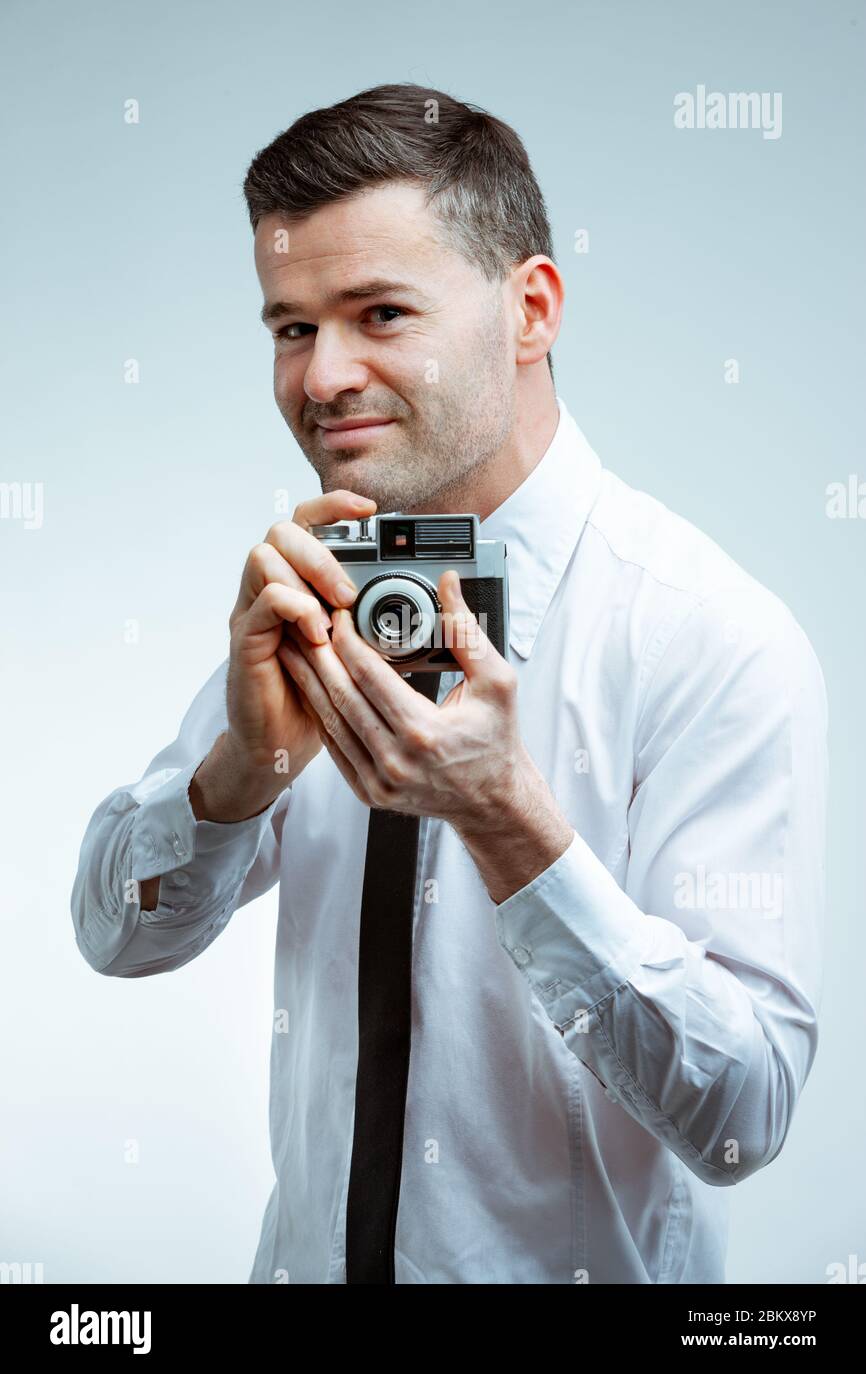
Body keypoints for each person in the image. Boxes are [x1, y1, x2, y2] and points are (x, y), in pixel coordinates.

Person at [71, 83, 827, 1284]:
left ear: (529, 311)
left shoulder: (706, 634)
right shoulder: (314, 590)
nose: (322, 378)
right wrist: (238, 771)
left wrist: (504, 819)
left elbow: (741, 1113)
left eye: (379, 311)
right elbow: (115, 936)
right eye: (289, 327)